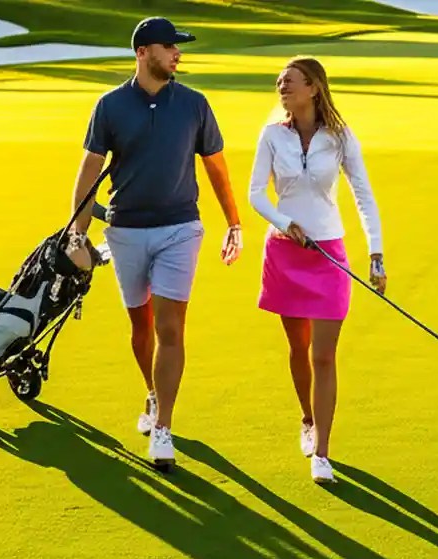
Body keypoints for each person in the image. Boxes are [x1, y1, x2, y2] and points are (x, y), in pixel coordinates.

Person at [69, 16, 243, 472]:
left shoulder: (194, 104)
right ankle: (152, 390)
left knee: (170, 327)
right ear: (143, 52)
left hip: (179, 227)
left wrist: (233, 222)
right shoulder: (110, 106)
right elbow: (90, 170)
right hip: (125, 229)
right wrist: (76, 230)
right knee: (141, 327)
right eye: (169, 47)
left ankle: (162, 427)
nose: (177, 54)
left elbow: (216, 167)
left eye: (178, 48)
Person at [247, 56, 385, 484]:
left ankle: (322, 452)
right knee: (299, 349)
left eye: (289, 80)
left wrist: (376, 254)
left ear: (313, 88)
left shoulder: (340, 138)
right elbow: (255, 193)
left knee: (324, 355)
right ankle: (307, 418)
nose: (281, 86)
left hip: (328, 255)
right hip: (286, 253)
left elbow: (363, 195)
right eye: (279, 81)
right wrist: (283, 223)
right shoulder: (271, 135)